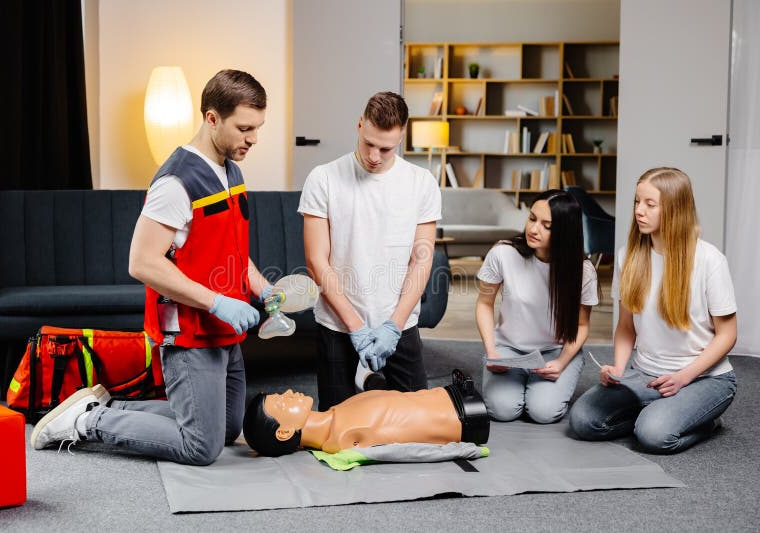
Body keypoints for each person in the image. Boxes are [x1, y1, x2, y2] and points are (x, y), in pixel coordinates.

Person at [30, 69, 275, 465]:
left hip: (225, 329)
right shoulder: (176, 183)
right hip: (190, 332)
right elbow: (142, 263)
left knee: (229, 429)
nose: (253, 139)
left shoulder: (231, 170)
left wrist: (263, 289)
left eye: (258, 128)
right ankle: (86, 421)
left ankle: (110, 407)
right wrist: (218, 303)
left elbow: (229, 249)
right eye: (245, 128)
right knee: (202, 447)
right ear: (212, 118)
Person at [569, 167, 737, 453]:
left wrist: (683, 377)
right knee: (583, 421)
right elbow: (625, 326)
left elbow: (727, 335)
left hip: (704, 379)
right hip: (644, 375)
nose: (639, 211)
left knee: (654, 436)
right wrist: (619, 369)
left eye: (650, 204)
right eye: (637, 202)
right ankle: (657, 413)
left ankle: (705, 421)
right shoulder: (628, 256)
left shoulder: (710, 260)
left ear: (674, 209)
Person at [298, 92, 441, 410]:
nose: (374, 156)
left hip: (398, 324)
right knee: (338, 431)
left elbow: (421, 261)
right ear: (360, 124)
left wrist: (394, 325)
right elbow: (316, 261)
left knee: (419, 422)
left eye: (386, 148)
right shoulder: (323, 179)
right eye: (368, 144)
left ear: (401, 136)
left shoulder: (422, 183)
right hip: (339, 324)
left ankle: (377, 376)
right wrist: (357, 327)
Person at [476, 189, 598, 424]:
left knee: (543, 413)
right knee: (502, 411)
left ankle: (551, 378)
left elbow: (582, 324)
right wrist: (492, 352)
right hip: (508, 350)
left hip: (555, 351)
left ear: (564, 230)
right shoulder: (503, 253)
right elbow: (484, 304)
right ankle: (518, 381)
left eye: (547, 226)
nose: (533, 229)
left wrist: (562, 362)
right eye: (532, 218)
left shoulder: (583, 271)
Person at [242, 370, 489, 457]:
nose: (288, 392)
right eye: (282, 403)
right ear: (285, 432)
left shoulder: (337, 414)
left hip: (451, 397)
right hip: (462, 416)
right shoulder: (344, 437)